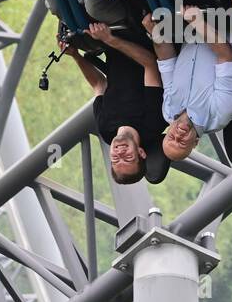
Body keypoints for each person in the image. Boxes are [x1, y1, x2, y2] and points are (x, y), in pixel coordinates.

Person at [63, 20, 164, 183]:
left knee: (61, 12)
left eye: (116, 160)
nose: (120, 154)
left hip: (108, 40)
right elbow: (150, 63)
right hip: (138, 31)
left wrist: (75, 56)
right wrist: (110, 39)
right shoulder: (153, 123)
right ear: (141, 152)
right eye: (128, 158)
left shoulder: (106, 131)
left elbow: (99, 84)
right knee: (94, 5)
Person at [150, 5, 232, 162]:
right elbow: (226, 56)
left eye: (171, 137)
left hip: (189, 22)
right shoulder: (219, 114)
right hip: (226, 19)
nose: (177, 136)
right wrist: (198, 22)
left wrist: (154, 34)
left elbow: (167, 62)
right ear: (195, 143)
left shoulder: (167, 111)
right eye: (181, 143)